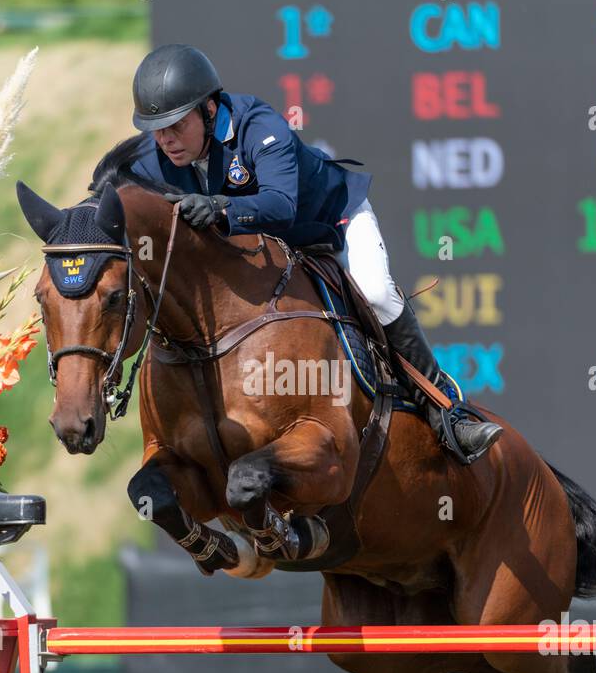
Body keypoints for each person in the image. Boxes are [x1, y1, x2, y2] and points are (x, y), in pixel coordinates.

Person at [127, 43, 502, 464]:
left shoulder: (258, 126)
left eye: (175, 125)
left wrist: (219, 206)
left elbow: (281, 206)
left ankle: (447, 410)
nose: (165, 139)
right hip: (267, 249)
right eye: (157, 129)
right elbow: (113, 197)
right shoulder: (159, 154)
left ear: (209, 111)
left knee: (376, 293)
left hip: (331, 224)